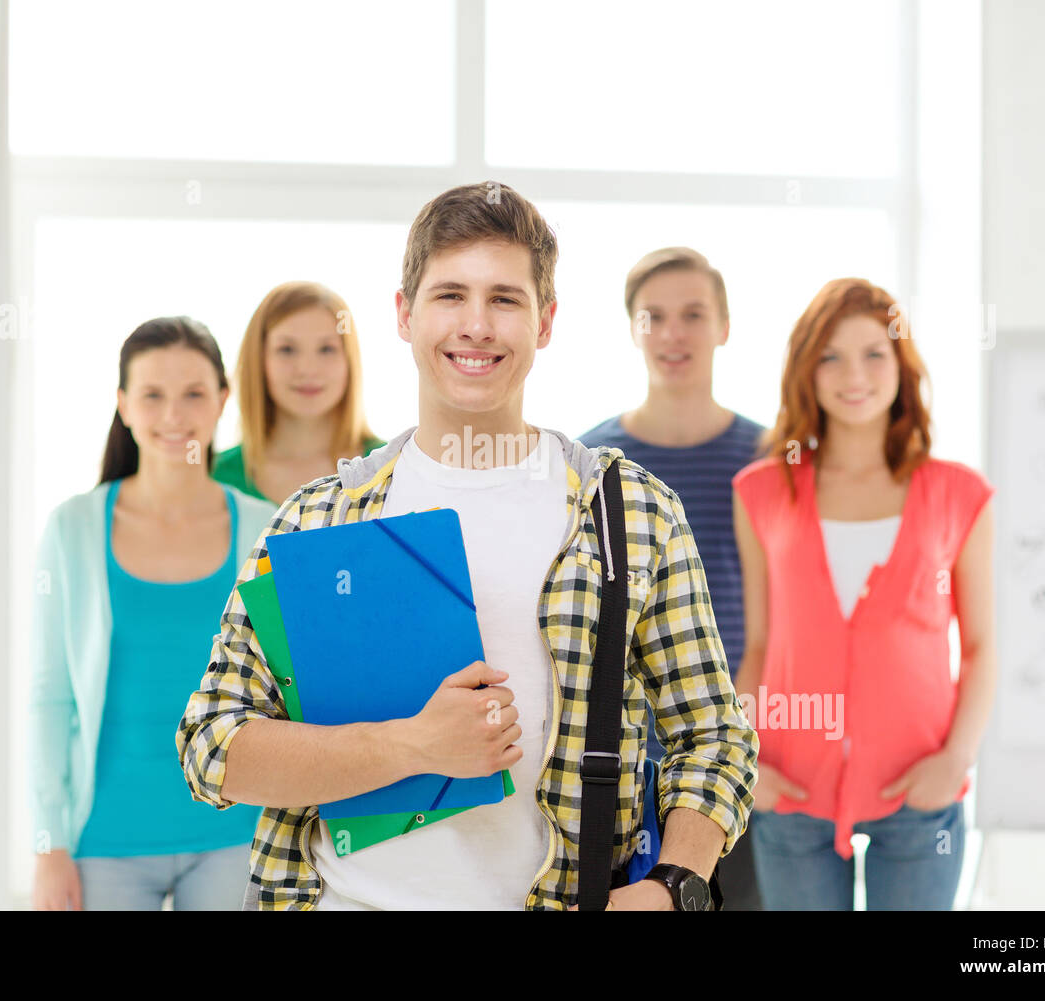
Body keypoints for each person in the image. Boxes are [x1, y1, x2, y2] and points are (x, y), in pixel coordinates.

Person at [177, 182, 758, 910]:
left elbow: (715, 737)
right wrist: (411, 746)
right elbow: (212, 747)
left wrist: (674, 885)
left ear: (545, 321)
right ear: (404, 313)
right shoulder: (317, 521)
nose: (476, 325)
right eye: (450, 294)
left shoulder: (630, 514)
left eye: (505, 299)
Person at [732, 278, 996, 910]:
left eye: (874, 353)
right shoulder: (762, 491)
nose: (854, 374)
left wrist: (956, 759)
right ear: (807, 370)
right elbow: (760, 643)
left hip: (919, 789)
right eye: (830, 355)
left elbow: (982, 646)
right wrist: (747, 764)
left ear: (901, 367)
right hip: (790, 788)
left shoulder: (959, 494)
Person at [30, 317, 278, 910]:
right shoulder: (73, 528)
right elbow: (50, 695)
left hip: (235, 835)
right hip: (106, 843)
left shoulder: (265, 526)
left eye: (194, 393)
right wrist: (48, 848)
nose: (174, 415)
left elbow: (285, 688)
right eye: (152, 395)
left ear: (222, 399)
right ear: (123, 405)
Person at [579, 246, 766, 909]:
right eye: (654, 316)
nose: (673, 333)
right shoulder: (596, 464)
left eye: (693, 314)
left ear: (724, 325)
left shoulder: (769, 458)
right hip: (618, 766)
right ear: (633, 329)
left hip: (733, 755)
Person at [212, 281, 385, 506]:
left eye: (326, 349)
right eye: (287, 349)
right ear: (259, 360)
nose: (307, 369)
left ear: (349, 361)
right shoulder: (213, 477)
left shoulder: (394, 467)